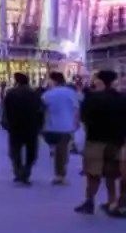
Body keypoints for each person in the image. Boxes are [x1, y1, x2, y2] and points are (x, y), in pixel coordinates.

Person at [75, 70, 124, 216]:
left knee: (93, 173)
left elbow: (84, 118)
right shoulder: (122, 98)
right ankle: (112, 201)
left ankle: (89, 201)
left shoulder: (91, 98)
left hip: (95, 140)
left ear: (100, 81)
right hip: (116, 141)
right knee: (111, 173)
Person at [2, 72, 44, 186]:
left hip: (15, 126)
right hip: (31, 126)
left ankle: (18, 171)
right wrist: (40, 126)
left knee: (15, 151)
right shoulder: (35, 94)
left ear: (17, 81)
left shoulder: (11, 93)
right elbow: (41, 111)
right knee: (31, 151)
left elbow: (5, 110)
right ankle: (26, 171)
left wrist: (6, 123)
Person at [41, 71, 79, 186]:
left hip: (50, 126)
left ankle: (59, 173)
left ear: (54, 80)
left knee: (57, 149)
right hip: (66, 126)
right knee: (62, 150)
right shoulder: (71, 93)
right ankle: (61, 174)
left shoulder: (47, 94)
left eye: (49, 79)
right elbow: (76, 108)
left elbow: (41, 109)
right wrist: (76, 122)